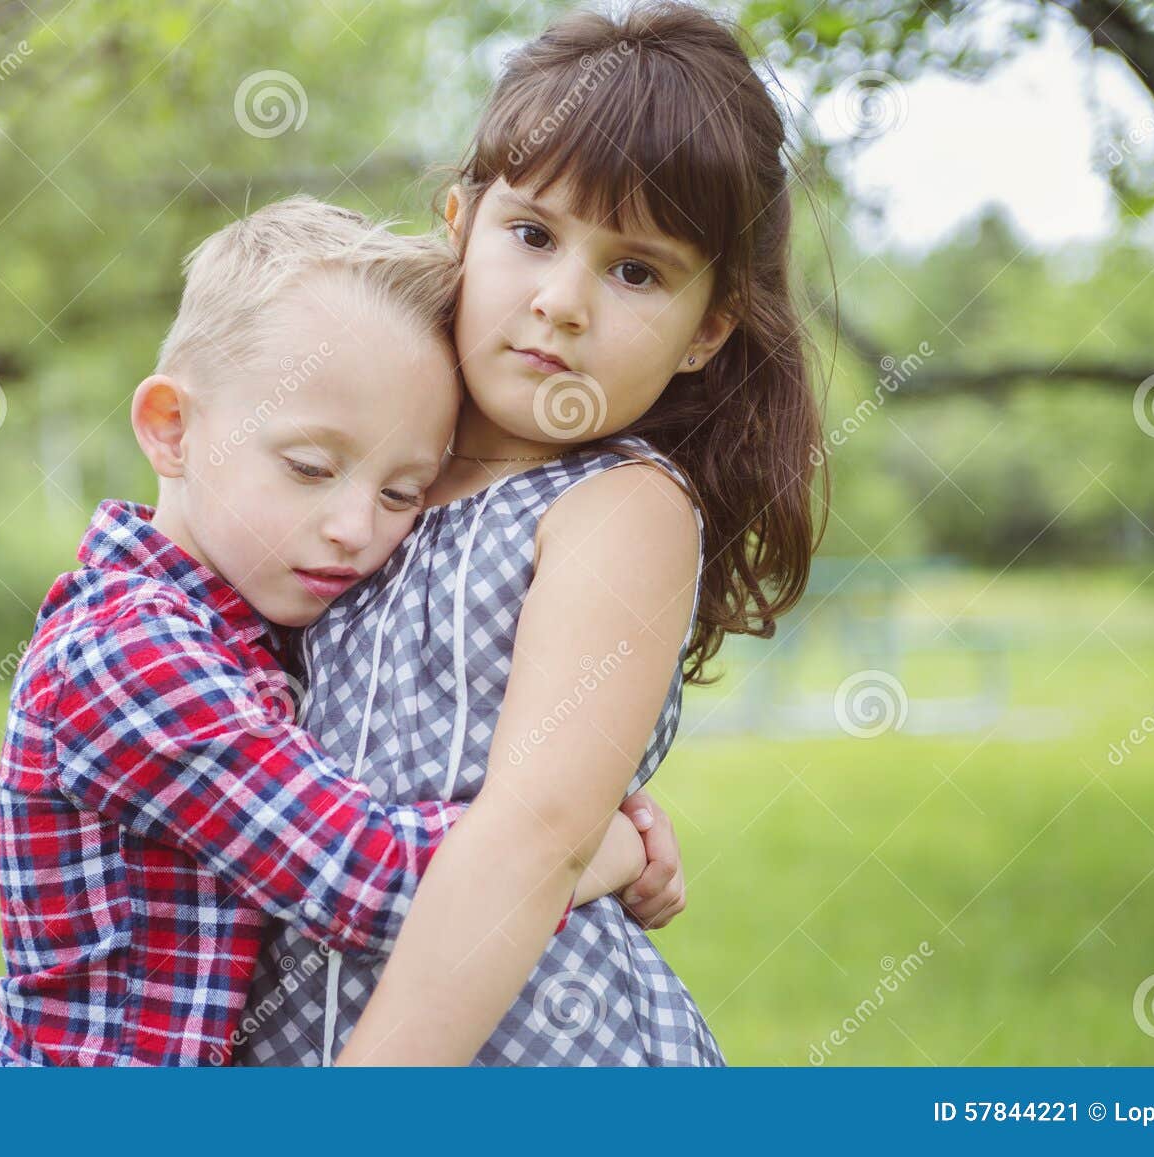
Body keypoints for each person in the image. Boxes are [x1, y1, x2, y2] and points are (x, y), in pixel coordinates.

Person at [240, 2, 825, 1066]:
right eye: (533, 234)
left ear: (706, 329)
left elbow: (528, 837)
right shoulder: (360, 463)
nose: (560, 302)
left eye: (635, 270)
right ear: (460, 224)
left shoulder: (618, 509)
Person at [0, 196, 682, 1066]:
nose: (356, 527)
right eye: (310, 468)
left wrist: (580, 802)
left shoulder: (268, 624)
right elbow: (364, 876)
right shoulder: (128, 654)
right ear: (171, 428)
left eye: (400, 492)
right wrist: (597, 846)